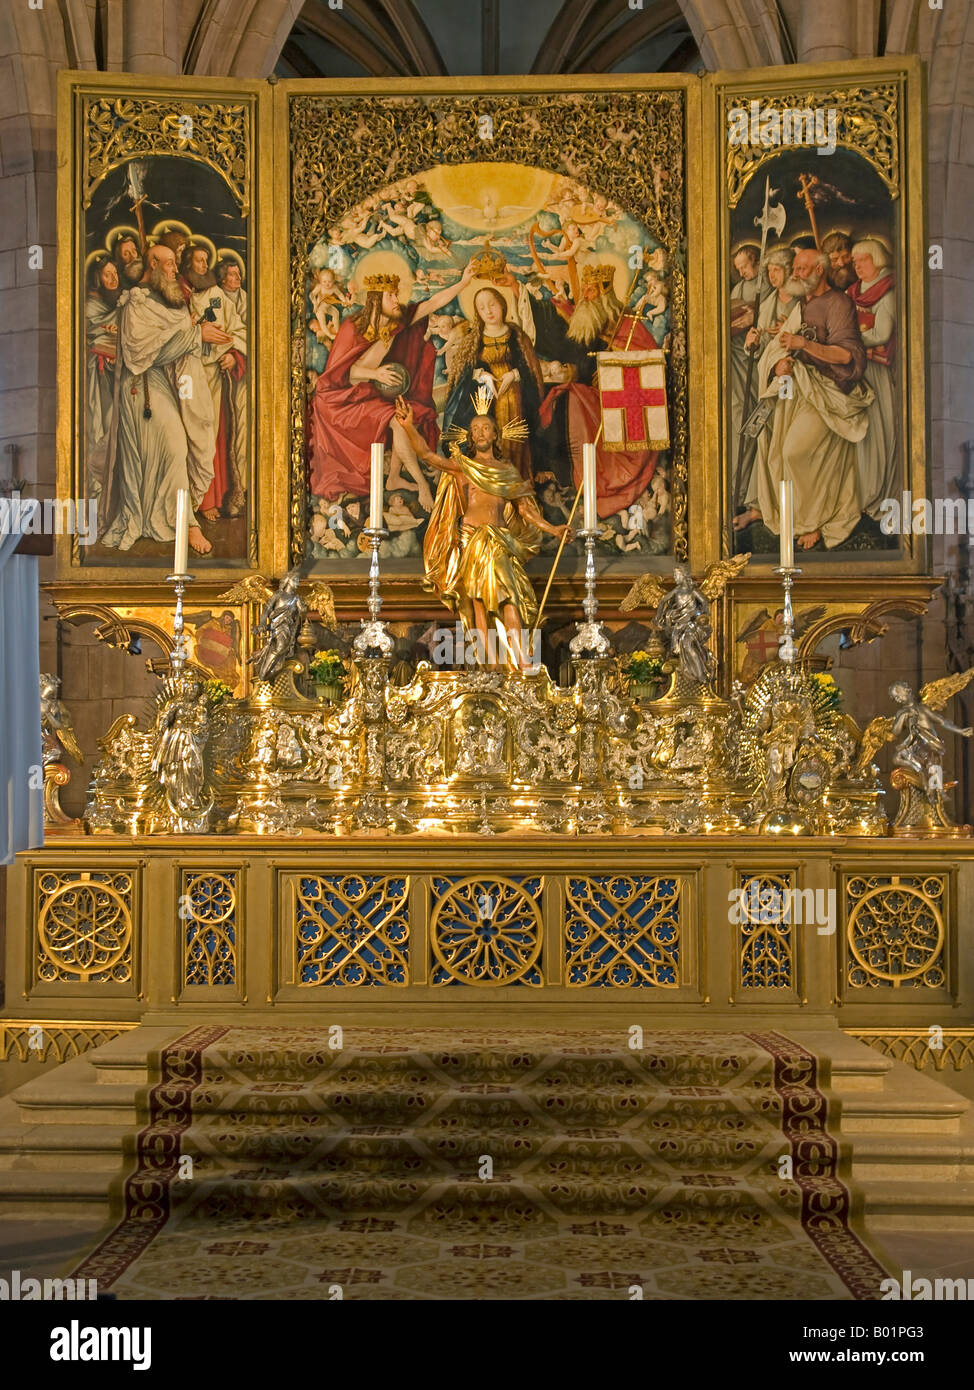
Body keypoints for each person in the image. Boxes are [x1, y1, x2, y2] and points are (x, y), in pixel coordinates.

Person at [394, 396, 571, 670]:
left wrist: (554, 529)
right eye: (475, 429)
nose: (479, 433)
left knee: (509, 597)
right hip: (472, 540)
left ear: (495, 435)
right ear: (470, 436)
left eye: (485, 428)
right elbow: (428, 456)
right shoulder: (464, 467)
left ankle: (521, 662)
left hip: (499, 541)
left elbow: (525, 510)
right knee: (477, 602)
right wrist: (408, 427)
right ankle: (489, 666)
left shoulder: (507, 472)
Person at [308, 263, 476, 512]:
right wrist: (374, 372)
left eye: (397, 294)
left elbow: (431, 304)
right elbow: (342, 375)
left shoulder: (396, 321)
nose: (397, 300)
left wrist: (463, 282)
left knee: (405, 414)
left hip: (367, 394)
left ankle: (395, 476)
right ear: (376, 299)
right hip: (340, 401)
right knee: (397, 420)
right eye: (391, 295)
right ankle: (421, 485)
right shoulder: (353, 328)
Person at [737, 247, 872, 551]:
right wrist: (776, 363)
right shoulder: (803, 302)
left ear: (820, 271)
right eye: (795, 268)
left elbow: (846, 355)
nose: (794, 274)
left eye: (801, 269)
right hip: (799, 389)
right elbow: (783, 346)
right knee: (776, 451)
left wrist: (803, 344)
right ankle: (788, 515)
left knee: (794, 452)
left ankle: (816, 522)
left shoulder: (838, 303)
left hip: (830, 393)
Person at [96, 242, 226, 554]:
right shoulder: (136, 304)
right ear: (152, 265)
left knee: (170, 450)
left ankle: (167, 517)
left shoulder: (161, 300)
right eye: (167, 264)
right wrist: (196, 335)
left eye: (174, 264)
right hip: (140, 389)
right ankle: (186, 524)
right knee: (173, 446)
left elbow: (170, 339)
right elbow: (149, 353)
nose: (173, 270)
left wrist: (198, 330)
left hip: (159, 384)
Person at [443, 285, 545, 482]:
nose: (488, 311)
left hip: (514, 397)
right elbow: (462, 374)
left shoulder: (517, 335)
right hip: (484, 400)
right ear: (477, 312)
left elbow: (530, 368)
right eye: (482, 308)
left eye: (492, 305)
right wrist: (481, 375)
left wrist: (514, 374)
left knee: (515, 442)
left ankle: (517, 486)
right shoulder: (472, 339)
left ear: (502, 305)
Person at [179, 242, 247, 520]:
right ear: (186, 264)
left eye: (206, 260)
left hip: (214, 377)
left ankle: (210, 499)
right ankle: (191, 504)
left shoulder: (217, 294)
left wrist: (233, 353)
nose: (204, 265)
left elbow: (238, 329)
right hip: (187, 375)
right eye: (198, 260)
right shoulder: (178, 294)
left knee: (211, 438)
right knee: (189, 437)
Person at [847, 238, 897, 519]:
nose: (857, 266)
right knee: (858, 434)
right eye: (854, 261)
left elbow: (881, 334)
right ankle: (860, 496)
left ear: (876, 260)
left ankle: (876, 495)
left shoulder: (887, 292)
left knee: (877, 431)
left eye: (862, 260)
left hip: (875, 370)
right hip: (855, 368)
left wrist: (849, 341)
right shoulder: (853, 291)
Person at [85, 255, 120, 464]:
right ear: (98, 278)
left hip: (114, 368)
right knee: (105, 418)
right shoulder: (91, 306)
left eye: (115, 273)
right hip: (98, 374)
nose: (113, 279)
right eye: (108, 275)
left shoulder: (115, 300)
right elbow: (90, 335)